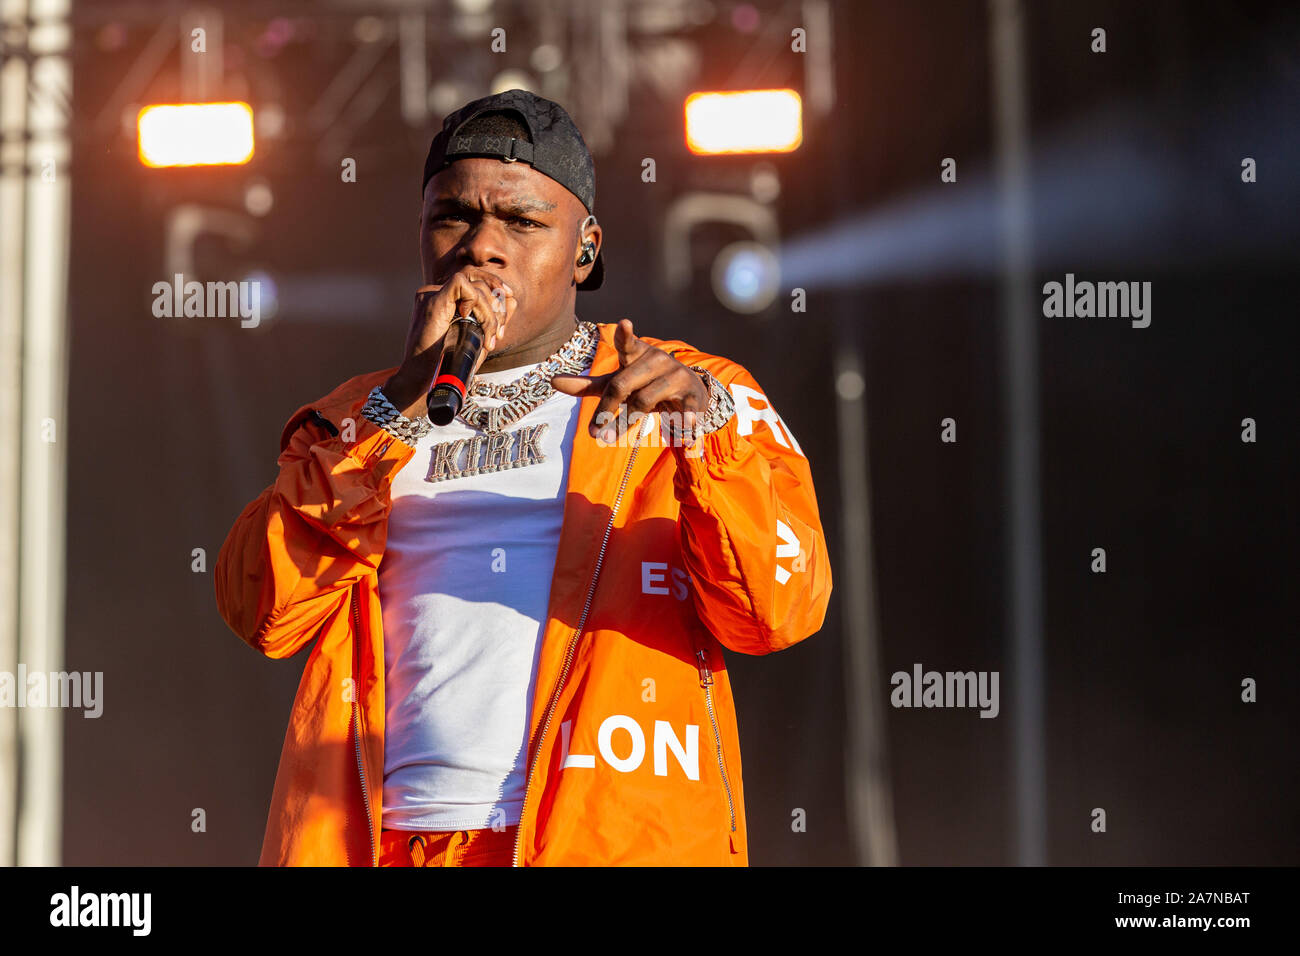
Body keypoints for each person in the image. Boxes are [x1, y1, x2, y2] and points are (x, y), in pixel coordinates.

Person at [214, 89, 832, 866]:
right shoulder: (359, 415)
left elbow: (776, 613)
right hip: (382, 842)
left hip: (603, 839)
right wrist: (392, 409)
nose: (481, 246)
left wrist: (703, 434)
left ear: (584, 249)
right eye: (454, 216)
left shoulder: (686, 392)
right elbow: (261, 610)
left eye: (522, 221)